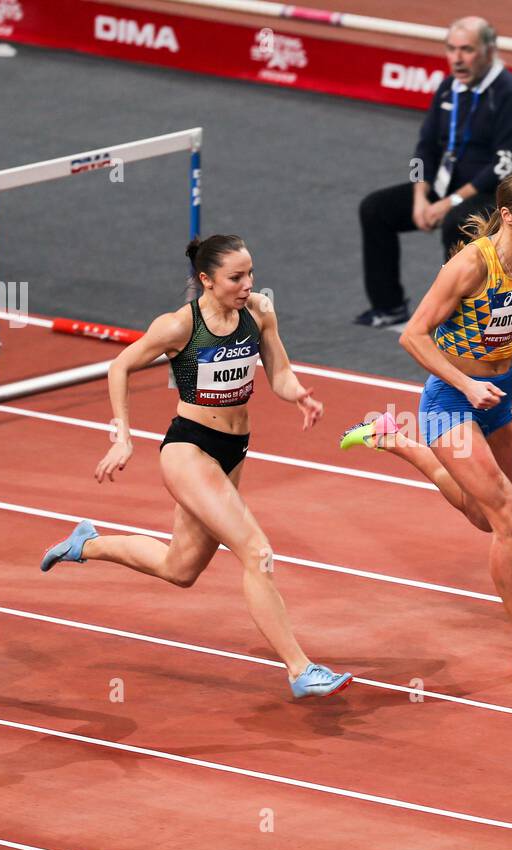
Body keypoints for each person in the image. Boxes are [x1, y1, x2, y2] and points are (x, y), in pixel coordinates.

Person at [40, 235, 352, 699]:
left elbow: (279, 372)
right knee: (256, 552)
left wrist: (299, 394)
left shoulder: (260, 311)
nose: (248, 285)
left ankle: (88, 544)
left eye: (250, 274)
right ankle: (300, 669)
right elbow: (119, 367)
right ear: (206, 280)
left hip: (234, 448)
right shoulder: (178, 327)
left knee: (180, 568)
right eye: (236, 277)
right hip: (189, 448)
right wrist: (122, 435)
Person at [340, 171, 512, 683]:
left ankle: (393, 438)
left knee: (484, 517)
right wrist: (466, 385)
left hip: (500, 396)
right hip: (452, 398)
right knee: (510, 520)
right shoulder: (470, 266)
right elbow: (413, 336)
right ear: (509, 215)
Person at [355, 16, 512, 328]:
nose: (457, 58)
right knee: (375, 209)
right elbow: (425, 147)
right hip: (449, 184)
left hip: (501, 193)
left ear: (489, 50)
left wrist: (449, 202)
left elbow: (502, 165)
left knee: (459, 222)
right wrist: (420, 198)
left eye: (466, 50)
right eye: (451, 49)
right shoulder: (448, 88)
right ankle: (389, 306)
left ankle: (456, 318)